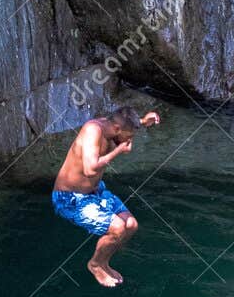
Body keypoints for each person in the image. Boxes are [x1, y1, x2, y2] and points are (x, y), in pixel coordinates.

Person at [51, 106, 160, 287]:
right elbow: (89, 168)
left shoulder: (113, 125)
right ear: (117, 129)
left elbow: (125, 122)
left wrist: (143, 121)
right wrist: (118, 151)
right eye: (128, 136)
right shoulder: (92, 131)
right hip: (70, 198)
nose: (129, 141)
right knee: (117, 228)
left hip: (96, 192)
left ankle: (104, 261)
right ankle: (95, 264)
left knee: (131, 225)